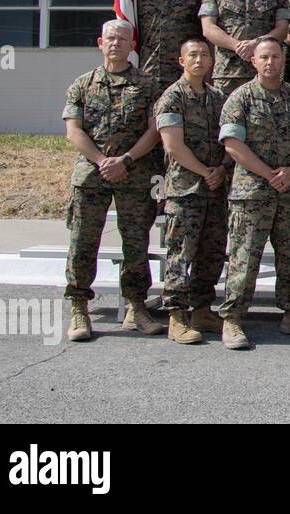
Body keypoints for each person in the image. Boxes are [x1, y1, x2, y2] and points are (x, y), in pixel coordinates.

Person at [62, 19, 164, 342]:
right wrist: (102, 160)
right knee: (83, 240)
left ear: (133, 45)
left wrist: (126, 159)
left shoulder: (148, 85)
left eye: (122, 38)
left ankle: (137, 305)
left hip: (135, 173)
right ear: (99, 43)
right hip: (92, 174)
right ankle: (79, 305)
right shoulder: (82, 84)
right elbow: (73, 130)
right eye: (110, 38)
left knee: (135, 241)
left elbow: (154, 130)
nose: (116, 43)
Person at [217, 37, 290, 350]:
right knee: (244, 258)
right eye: (264, 57)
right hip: (252, 194)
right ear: (254, 61)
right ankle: (233, 319)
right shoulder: (240, 98)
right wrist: (268, 174)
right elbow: (233, 145)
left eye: (276, 57)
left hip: (289, 192)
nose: (270, 62)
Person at [155, 37, 232, 344]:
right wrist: (205, 172)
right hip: (185, 190)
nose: (199, 60)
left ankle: (202, 309)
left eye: (204, 55)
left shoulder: (217, 97)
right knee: (181, 254)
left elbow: (229, 138)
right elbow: (173, 146)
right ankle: (176, 315)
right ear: (181, 61)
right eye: (193, 55)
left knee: (211, 252)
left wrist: (221, 169)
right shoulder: (172, 97)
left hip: (215, 188)